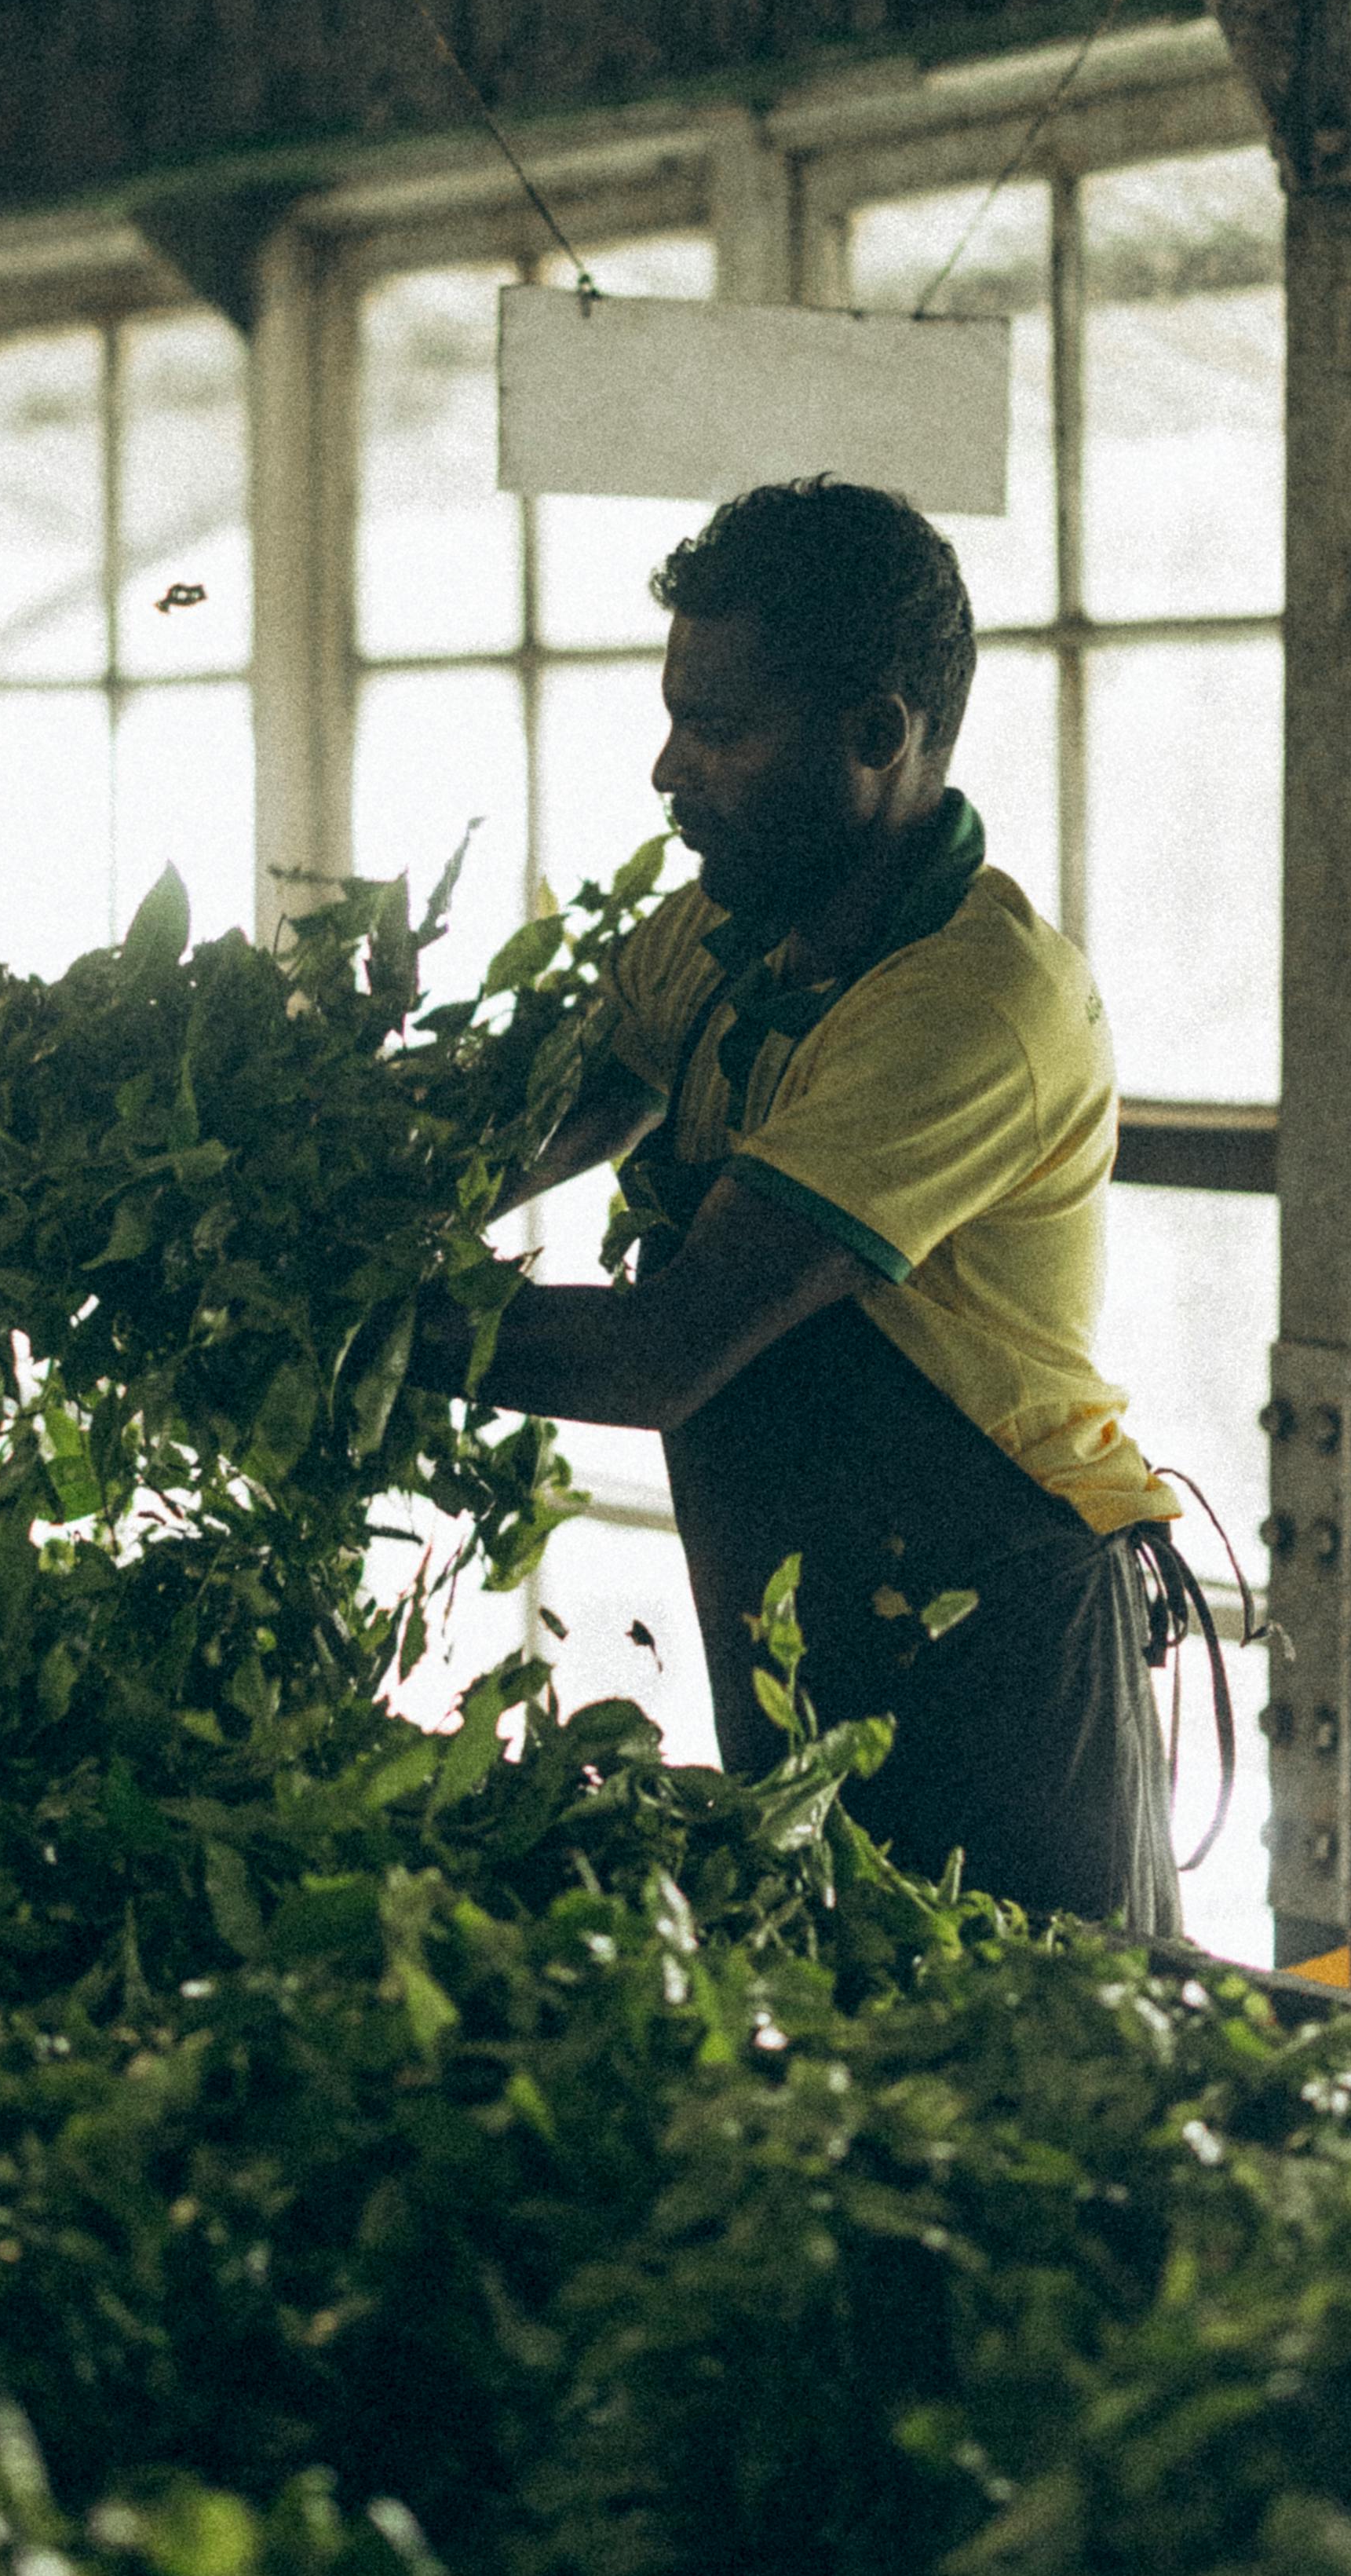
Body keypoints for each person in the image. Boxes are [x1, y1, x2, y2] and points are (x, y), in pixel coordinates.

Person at [413, 478, 1197, 1932]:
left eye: (716, 728)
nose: (666, 770)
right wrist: (283, 1178)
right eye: (673, 717)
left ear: (878, 735)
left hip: (1002, 1648)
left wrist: (346, 1320)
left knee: (1038, 2062)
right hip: (808, 1610)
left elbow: (667, 1351)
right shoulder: (720, 930)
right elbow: (500, 1136)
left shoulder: (970, 1004)